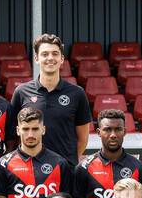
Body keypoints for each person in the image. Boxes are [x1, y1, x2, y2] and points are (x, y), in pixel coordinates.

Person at [0, 106, 75, 198]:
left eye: (35, 129)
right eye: (25, 129)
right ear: (18, 130)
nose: (30, 134)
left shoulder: (60, 164)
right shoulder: (3, 164)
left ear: (43, 129)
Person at [8, 33, 91, 164]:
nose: (50, 58)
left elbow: (83, 139)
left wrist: (66, 163)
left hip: (65, 171)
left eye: (55, 53)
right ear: (36, 58)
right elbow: (13, 135)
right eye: (45, 54)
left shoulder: (77, 93)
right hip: (30, 170)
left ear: (62, 58)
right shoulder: (21, 92)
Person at [76, 109, 142, 198]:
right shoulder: (84, 168)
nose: (113, 134)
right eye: (107, 129)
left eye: (118, 129)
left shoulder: (138, 167)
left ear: (124, 132)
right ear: (99, 132)